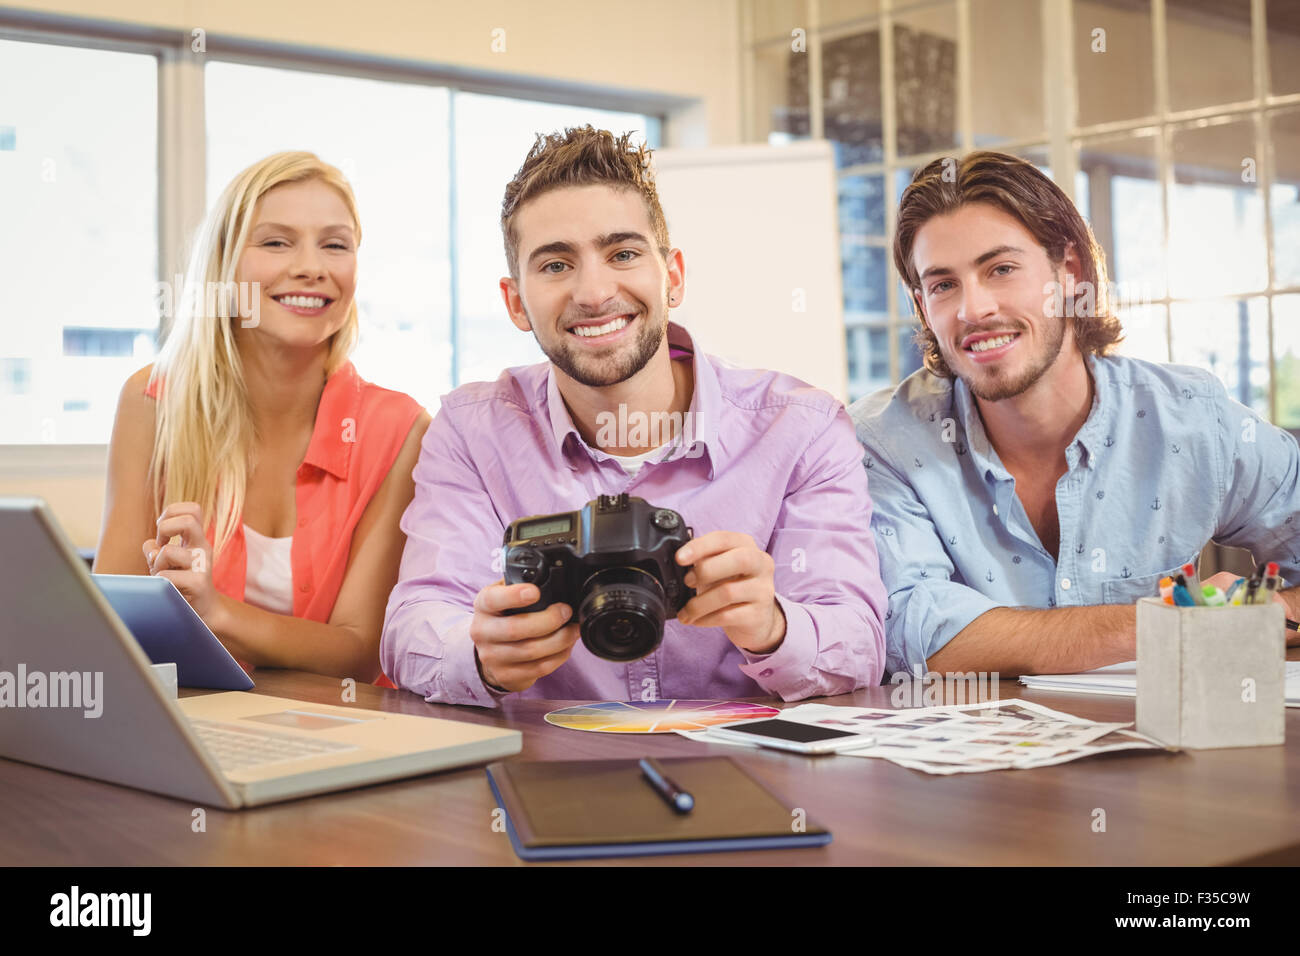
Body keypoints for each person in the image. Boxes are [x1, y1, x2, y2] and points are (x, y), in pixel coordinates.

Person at [381, 126, 886, 706]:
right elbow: (413, 624)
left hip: (752, 768)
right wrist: (478, 654)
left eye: (622, 254)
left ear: (672, 276)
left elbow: (860, 643)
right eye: (555, 265)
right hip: (547, 773)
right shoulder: (472, 431)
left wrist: (771, 626)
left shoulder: (802, 428)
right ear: (516, 302)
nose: (594, 293)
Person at [851, 150, 1300, 679]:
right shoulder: (882, 443)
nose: (974, 309)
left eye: (1001, 269)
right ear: (924, 307)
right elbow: (914, 633)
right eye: (943, 284)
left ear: (1069, 272)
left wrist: (1274, 609)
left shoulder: (1192, 418)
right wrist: (1169, 622)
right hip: (979, 760)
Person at [95, 151, 431, 683]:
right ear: (225, 264)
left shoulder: (400, 429)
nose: (311, 267)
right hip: (196, 723)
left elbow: (359, 650)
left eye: (335, 245)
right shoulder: (152, 401)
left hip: (343, 734)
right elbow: (111, 618)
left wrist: (217, 613)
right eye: (276, 241)